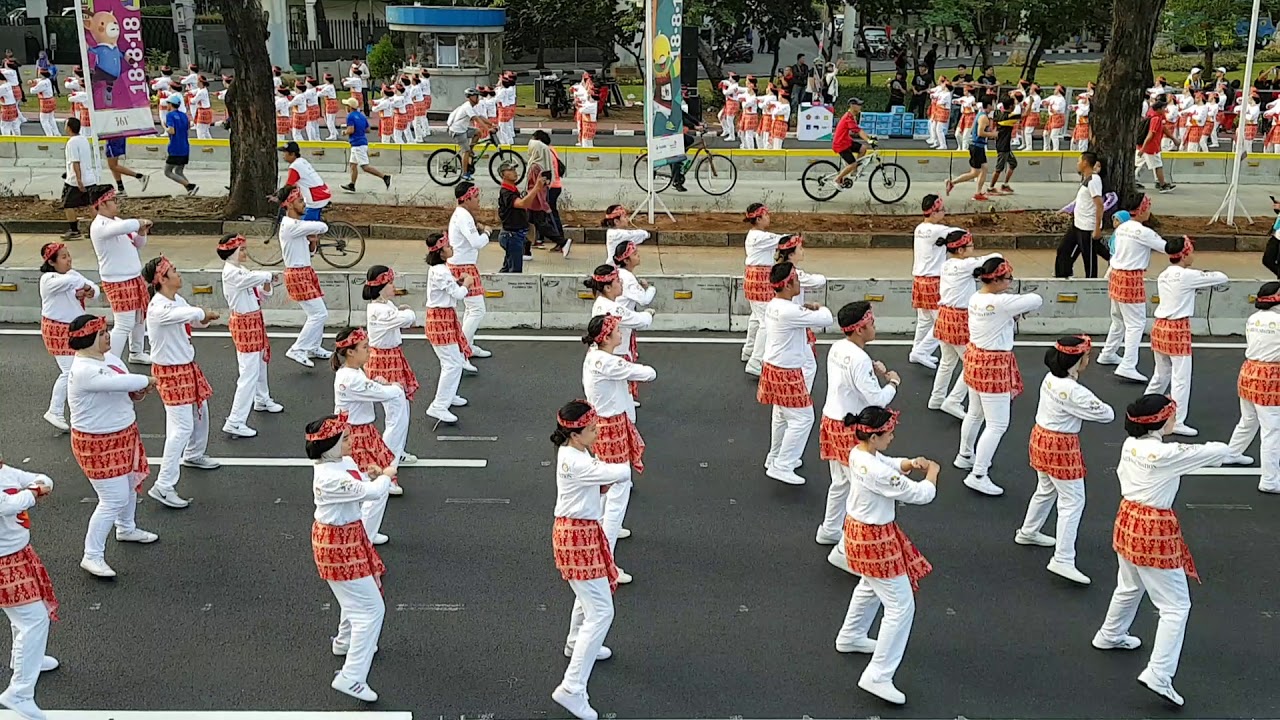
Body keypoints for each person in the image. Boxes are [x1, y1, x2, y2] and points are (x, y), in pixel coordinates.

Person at [1093, 394, 1231, 707]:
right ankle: (1159, 673)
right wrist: (1230, 447)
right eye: (1171, 415)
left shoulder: (1131, 445)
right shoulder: (1165, 454)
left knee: (1129, 584)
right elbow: (1214, 451)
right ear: (1160, 421)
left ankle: (1111, 633)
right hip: (1154, 527)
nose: (1174, 420)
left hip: (1128, 517)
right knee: (1175, 606)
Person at [834, 406, 939, 706]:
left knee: (870, 587)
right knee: (901, 606)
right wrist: (932, 473)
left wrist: (906, 463)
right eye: (889, 433)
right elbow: (920, 494)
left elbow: (886, 462)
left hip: (859, 532)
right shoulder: (877, 470)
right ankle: (878, 675)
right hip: (874, 540)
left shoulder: (859, 453)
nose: (893, 436)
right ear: (876, 436)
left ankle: (852, 634)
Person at [549, 400, 630, 720]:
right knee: (601, 611)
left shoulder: (576, 452)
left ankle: (574, 642)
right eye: (593, 429)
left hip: (582, 533)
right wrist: (628, 450)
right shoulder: (576, 461)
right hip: (577, 538)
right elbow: (618, 472)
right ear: (576, 434)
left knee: (588, 597)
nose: (598, 432)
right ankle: (572, 687)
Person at [306, 412, 394, 702]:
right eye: (344, 438)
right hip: (338, 545)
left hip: (347, 537)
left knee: (353, 599)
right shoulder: (329, 479)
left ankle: (344, 641)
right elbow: (371, 492)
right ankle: (352, 676)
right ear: (329, 444)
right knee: (371, 610)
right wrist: (384, 476)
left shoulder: (338, 462)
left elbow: (359, 481)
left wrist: (371, 474)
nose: (351, 440)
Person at [66, 314, 159, 579]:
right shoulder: (83, 370)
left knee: (129, 484)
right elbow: (122, 383)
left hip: (123, 434)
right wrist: (146, 381)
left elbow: (125, 389)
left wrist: (138, 392)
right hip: (97, 443)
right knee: (113, 499)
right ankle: (91, 555)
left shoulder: (110, 359)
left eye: (106, 331)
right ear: (88, 339)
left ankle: (126, 527)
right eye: (102, 333)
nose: (108, 336)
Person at [1018, 336, 1114, 585]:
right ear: (1078, 360)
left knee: (1046, 489)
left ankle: (1029, 530)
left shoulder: (1050, 378)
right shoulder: (1074, 391)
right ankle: (1063, 558)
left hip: (1040, 436)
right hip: (1061, 445)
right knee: (1072, 502)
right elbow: (1106, 414)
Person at [817, 302, 900, 574]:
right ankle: (843, 551)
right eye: (871, 322)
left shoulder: (838, 348)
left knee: (840, 482)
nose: (875, 325)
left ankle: (830, 529)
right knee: (859, 490)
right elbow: (875, 399)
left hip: (832, 420)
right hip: (849, 428)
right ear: (860, 328)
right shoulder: (860, 359)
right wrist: (892, 383)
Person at [957, 257, 1043, 496]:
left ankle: (965, 454)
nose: (1010, 282)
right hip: (993, 363)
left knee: (975, 413)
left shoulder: (976, 297)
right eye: (1007, 279)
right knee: (997, 424)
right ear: (994, 279)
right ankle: (978, 474)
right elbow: (1036, 299)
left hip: (975, 357)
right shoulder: (1003, 303)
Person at [581, 315, 655, 586]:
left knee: (608, 486)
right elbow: (647, 373)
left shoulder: (595, 356)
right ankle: (605, 559)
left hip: (607, 424)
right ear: (607, 337)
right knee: (618, 490)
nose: (620, 333)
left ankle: (601, 532)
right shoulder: (608, 362)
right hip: (610, 427)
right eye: (615, 331)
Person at [144, 256, 220, 509]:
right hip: (170, 372)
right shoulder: (158, 307)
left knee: (201, 412)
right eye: (173, 271)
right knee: (180, 428)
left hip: (186, 368)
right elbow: (186, 314)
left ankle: (194, 454)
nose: (178, 274)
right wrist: (202, 312)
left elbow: (192, 319)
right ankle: (163, 485)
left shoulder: (176, 301)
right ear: (161, 279)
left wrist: (205, 319)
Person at [757, 262, 835, 486]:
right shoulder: (789, 310)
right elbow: (827, 319)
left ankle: (775, 456)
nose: (800, 283)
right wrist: (819, 308)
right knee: (803, 418)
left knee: (782, 415)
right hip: (786, 371)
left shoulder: (776, 305)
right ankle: (783, 464)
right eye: (797, 280)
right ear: (789, 284)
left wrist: (807, 309)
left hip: (774, 366)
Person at [1145, 236, 1228, 437]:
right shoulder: (1187, 276)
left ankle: (1145, 406)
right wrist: (1203, 275)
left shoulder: (1164, 274)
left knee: (1161, 374)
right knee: (1180, 378)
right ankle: (1177, 420)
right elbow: (1222, 277)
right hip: (1178, 328)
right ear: (1184, 254)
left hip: (1160, 326)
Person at [0, 458, 57, 720]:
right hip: (4, 563)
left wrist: (37, 486)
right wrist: (34, 491)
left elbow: (41, 477)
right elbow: (10, 503)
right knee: (34, 621)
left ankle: (23, 660)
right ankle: (19, 693)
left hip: (18, 555)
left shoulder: (4, 472)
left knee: (22, 619)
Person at [332, 327, 407, 508]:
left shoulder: (353, 372)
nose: (369, 350)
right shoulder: (352, 379)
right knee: (369, 487)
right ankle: (367, 531)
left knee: (371, 481)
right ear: (351, 351)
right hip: (356, 435)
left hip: (360, 430)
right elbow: (383, 393)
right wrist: (395, 386)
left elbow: (371, 388)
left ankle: (368, 531)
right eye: (365, 347)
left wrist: (377, 384)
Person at [219, 234, 282, 438]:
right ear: (232, 252)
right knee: (248, 373)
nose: (245, 253)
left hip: (253, 321)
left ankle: (262, 398)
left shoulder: (241, 270)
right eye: (242, 250)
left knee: (260, 362)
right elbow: (250, 280)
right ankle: (235, 420)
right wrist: (267, 275)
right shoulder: (231, 272)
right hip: (245, 324)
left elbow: (259, 293)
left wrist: (266, 282)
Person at [1099, 195, 1166, 383]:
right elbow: (1165, 247)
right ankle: (1128, 365)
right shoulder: (1143, 232)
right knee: (1136, 323)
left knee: (1119, 319)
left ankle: (1108, 352)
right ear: (1142, 209)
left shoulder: (1122, 229)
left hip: (1116, 275)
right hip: (1131, 278)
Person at [38, 242, 99, 433]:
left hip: (73, 329)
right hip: (56, 330)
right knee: (70, 372)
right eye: (63, 257)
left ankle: (80, 410)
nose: (69, 259)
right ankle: (55, 410)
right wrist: (82, 286)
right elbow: (71, 283)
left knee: (80, 369)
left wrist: (90, 291)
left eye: (68, 255)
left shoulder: (72, 275)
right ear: (52, 262)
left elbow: (94, 290)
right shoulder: (48, 279)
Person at [89, 185, 152, 364]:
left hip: (134, 276)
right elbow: (126, 226)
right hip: (117, 280)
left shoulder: (117, 221)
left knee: (140, 317)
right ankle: (111, 360)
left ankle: (136, 352)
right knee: (124, 324)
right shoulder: (99, 226)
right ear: (101, 204)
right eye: (113, 200)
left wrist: (141, 232)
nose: (116, 203)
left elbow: (138, 243)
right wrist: (139, 222)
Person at [363, 267, 419, 465]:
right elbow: (406, 319)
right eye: (390, 283)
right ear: (380, 287)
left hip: (391, 358)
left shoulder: (384, 305)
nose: (393, 286)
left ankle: (397, 451)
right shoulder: (380, 310)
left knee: (401, 410)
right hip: (384, 362)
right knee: (397, 414)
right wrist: (408, 312)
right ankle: (385, 460)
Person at [1226, 282, 1280, 487]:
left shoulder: (1254, 319)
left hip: (1249, 372)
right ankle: (1270, 479)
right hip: (1270, 377)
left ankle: (1233, 452)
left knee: (1249, 419)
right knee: (1272, 430)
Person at [423, 233, 474, 425]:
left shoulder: (440, 270)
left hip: (444, 318)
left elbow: (449, 289)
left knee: (452, 361)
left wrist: (458, 282)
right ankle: (439, 405)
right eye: (447, 246)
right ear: (441, 252)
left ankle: (448, 395)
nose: (451, 247)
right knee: (452, 363)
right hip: (440, 319)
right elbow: (458, 295)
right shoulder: (440, 271)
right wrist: (467, 284)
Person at [278, 187, 332, 367]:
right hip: (297, 274)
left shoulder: (299, 228)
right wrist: (313, 229)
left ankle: (313, 346)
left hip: (305, 271)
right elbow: (323, 226)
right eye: (300, 200)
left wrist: (312, 242)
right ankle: (298, 348)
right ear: (290, 204)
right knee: (319, 313)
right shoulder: (291, 226)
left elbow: (309, 251)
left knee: (316, 313)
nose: (304, 204)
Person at [910, 195, 964, 370]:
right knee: (941, 322)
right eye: (941, 210)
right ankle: (922, 351)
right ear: (933, 213)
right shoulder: (938, 231)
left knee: (924, 320)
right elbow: (962, 234)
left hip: (919, 279)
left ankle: (916, 350)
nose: (944, 212)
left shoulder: (920, 229)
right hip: (933, 281)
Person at [447, 182, 493, 359]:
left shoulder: (462, 214)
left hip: (462, 264)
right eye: (475, 197)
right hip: (463, 267)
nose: (478, 200)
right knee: (477, 310)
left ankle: (468, 345)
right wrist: (487, 233)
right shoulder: (464, 216)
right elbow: (476, 243)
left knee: (471, 309)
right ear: (466, 198)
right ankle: (463, 349)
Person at [742, 204, 783, 375]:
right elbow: (783, 240)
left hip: (753, 279)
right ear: (758, 219)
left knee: (756, 316)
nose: (769, 217)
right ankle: (756, 362)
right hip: (761, 281)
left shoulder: (754, 235)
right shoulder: (761, 237)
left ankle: (749, 349)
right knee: (766, 322)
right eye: (766, 215)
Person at [1056, 152, 1107, 279]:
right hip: (1077, 224)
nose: (1077, 164)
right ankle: (1063, 275)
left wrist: (1097, 228)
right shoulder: (1086, 179)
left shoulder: (1093, 181)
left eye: (1079, 161)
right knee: (1063, 250)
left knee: (1088, 257)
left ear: (1085, 163)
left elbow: (1099, 205)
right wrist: (1065, 210)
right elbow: (1080, 201)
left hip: (1087, 227)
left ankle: (1091, 282)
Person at [945, 98, 995, 201]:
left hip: (977, 146)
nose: (994, 106)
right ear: (989, 105)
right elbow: (980, 133)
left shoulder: (980, 114)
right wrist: (993, 134)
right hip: (977, 146)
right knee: (975, 173)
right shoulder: (983, 117)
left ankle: (978, 192)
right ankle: (952, 183)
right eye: (993, 103)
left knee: (984, 168)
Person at [497, 161, 543, 273]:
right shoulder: (506, 192)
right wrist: (536, 188)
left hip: (515, 235)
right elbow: (522, 204)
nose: (515, 172)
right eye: (511, 170)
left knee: (507, 269)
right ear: (503, 174)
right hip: (512, 236)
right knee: (515, 272)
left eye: (514, 170)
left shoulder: (513, 190)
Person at [338, 97, 391, 193]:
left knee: (365, 167)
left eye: (347, 106)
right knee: (353, 165)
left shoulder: (350, 116)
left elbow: (351, 130)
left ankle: (384, 177)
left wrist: (344, 132)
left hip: (357, 144)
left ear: (350, 107)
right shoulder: (362, 116)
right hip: (361, 142)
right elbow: (368, 130)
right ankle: (352, 184)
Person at [61, 117, 97, 240]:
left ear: (69, 128)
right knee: (91, 204)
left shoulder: (71, 143)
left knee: (67, 205)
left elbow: (75, 162)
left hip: (75, 181)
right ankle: (97, 229)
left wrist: (78, 179)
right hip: (90, 178)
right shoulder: (84, 139)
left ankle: (74, 230)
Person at [447, 88, 492, 181]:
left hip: (463, 129)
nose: (478, 98)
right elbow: (476, 119)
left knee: (478, 132)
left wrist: (492, 124)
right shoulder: (467, 107)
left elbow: (480, 116)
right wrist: (488, 129)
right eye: (476, 96)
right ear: (470, 97)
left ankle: (470, 151)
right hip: (457, 131)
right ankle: (464, 173)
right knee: (465, 151)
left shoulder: (472, 107)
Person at [832, 97, 875, 187]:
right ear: (852, 106)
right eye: (858, 105)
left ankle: (853, 172)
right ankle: (837, 179)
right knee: (852, 163)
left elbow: (857, 130)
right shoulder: (848, 118)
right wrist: (868, 140)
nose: (860, 107)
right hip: (841, 144)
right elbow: (858, 131)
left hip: (846, 141)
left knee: (863, 148)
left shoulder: (852, 116)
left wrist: (870, 137)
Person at [160, 94, 197, 196]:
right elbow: (188, 127)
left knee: (167, 171)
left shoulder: (170, 115)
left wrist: (164, 126)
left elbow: (171, 131)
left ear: (171, 105)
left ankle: (190, 186)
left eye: (168, 103)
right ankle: (190, 189)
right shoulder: (184, 115)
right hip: (185, 146)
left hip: (175, 147)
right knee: (179, 171)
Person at [1139, 97, 1176, 193]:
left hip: (1148, 146)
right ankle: (1162, 185)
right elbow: (1151, 134)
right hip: (1151, 147)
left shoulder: (1153, 116)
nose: (1165, 110)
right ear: (1159, 109)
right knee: (1158, 165)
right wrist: (1144, 148)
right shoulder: (1156, 119)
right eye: (1164, 108)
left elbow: (1163, 129)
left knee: (1139, 164)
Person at [986, 97, 1019, 195]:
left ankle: (1005, 185)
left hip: (1003, 144)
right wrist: (1030, 103)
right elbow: (1025, 114)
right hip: (1003, 146)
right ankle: (991, 187)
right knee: (999, 168)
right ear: (1011, 106)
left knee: (1013, 163)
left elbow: (992, 116)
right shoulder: (1010, 117)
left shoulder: (997, 113)